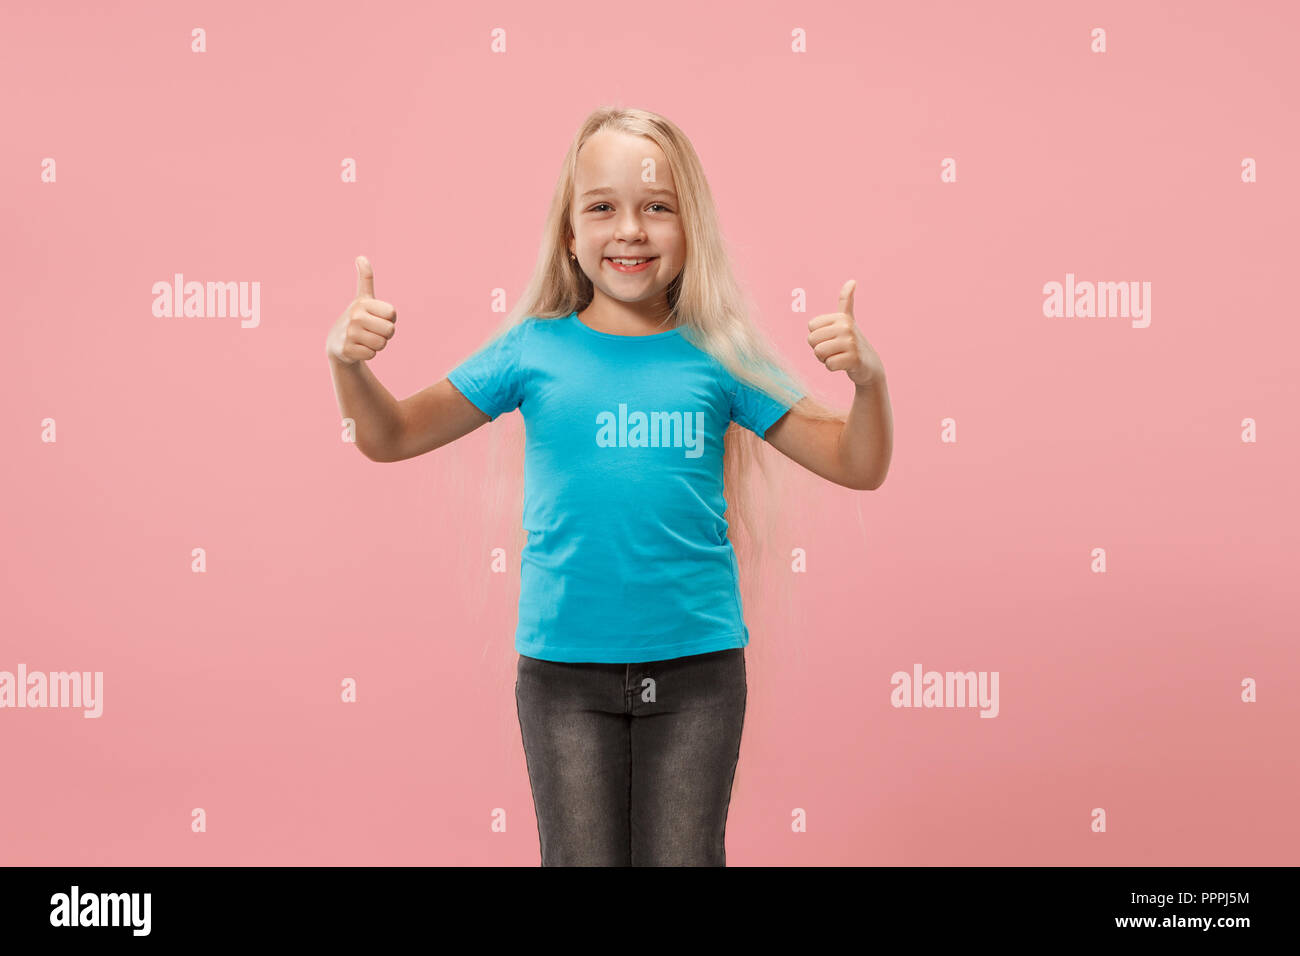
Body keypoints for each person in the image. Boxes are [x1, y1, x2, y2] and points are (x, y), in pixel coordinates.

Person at [325, 106, 894, 866]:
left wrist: (870, 381)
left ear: (690, 230)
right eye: (602, 207)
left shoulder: (719, 358)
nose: (630, 230)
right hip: (563, 676)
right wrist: (348, 366)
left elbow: (858, 464)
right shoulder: (531, 350)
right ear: (569, 232)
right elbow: (390, 436)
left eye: (657, 207)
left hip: (698, 674)